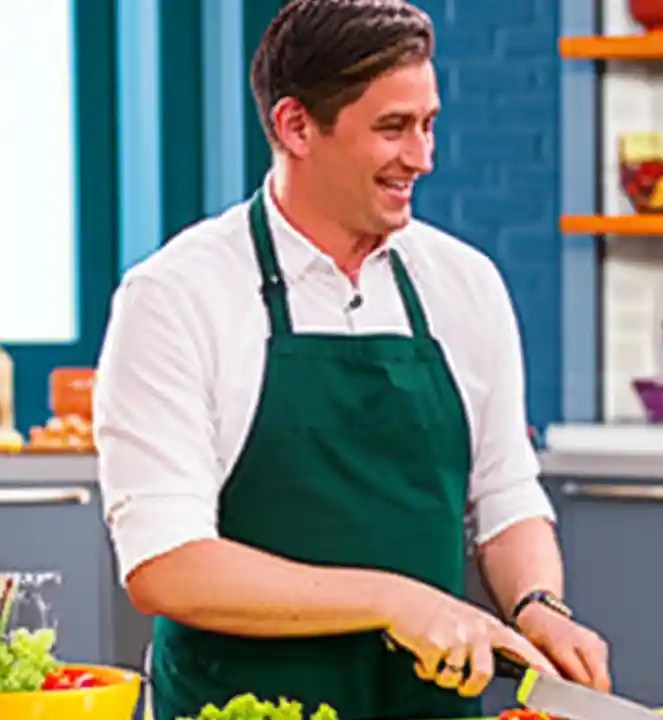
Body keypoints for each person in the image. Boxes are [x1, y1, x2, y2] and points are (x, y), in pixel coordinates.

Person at [93, 1, 610, 718]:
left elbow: (504, 495)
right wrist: (391, 600)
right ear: (295, 125)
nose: (423, 157)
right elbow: (166, 566)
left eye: (429, 124)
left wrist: (537, 603)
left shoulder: (464, 284)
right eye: (392, 128)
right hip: (238, 705)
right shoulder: (177, 296)